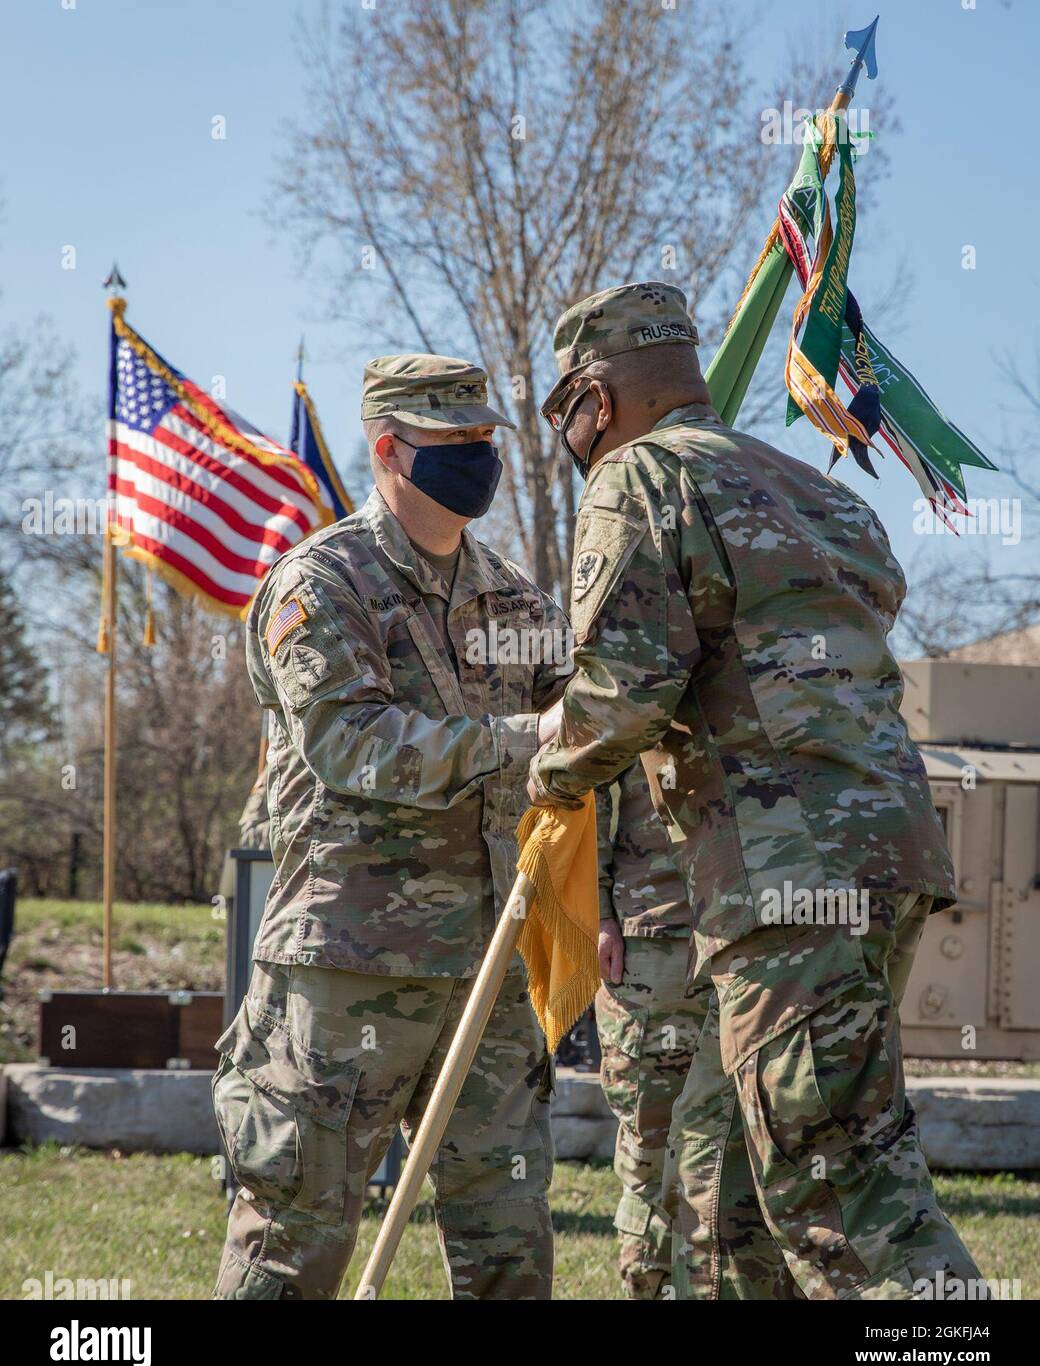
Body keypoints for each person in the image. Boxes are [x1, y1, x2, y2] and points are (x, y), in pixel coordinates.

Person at [528, 282, 983, 1300]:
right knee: (735, 1197)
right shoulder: (812, 488)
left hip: (783, 883)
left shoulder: (637, 479)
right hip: (882, 857)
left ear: (596, 398)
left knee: (844, 1198)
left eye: (568, 411)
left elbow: (621, 697)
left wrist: (544, 759)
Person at [213, 355, 570, 1300]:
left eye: (484, 441)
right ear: (388, 449)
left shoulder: (519, 601)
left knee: (510, 1237)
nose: (477, 459)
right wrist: (527, 737)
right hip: (346, 965)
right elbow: (350, 743)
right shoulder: (320, 585)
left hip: (490, 966)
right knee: (297, 1232)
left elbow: (588, 732)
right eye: (454, 443)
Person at [595, 762, 705, 1299]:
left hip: (762, 936)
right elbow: (582, 774)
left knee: (755, 1141)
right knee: (654, 1145)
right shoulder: (637, 673)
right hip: (657, 936)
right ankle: (653, 1288)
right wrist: (597, 911)